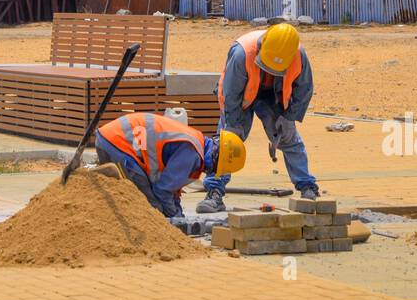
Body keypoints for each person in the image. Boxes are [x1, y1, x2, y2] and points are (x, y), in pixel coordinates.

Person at [197, 21, 319, 213]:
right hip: (241, 95)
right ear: (262, 49)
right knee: (228, 140)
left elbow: (304, 89)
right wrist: (233, 123)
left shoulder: (298, 55)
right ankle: (214, 192)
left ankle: (307, 188)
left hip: (274, 94)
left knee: (288, 138)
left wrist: (289, 118)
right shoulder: (242, 54)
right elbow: (231, 94)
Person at [95, 112, 246, 218]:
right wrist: (174, 217)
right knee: (153, 210)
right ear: (216, 158)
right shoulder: (192, 154)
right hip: (119, 145)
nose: (210, 171)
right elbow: (162, 190)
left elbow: (172, 188)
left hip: (111, 139)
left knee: (150, 202)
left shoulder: (195, 142)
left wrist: (176, 209)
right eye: (215, 169)